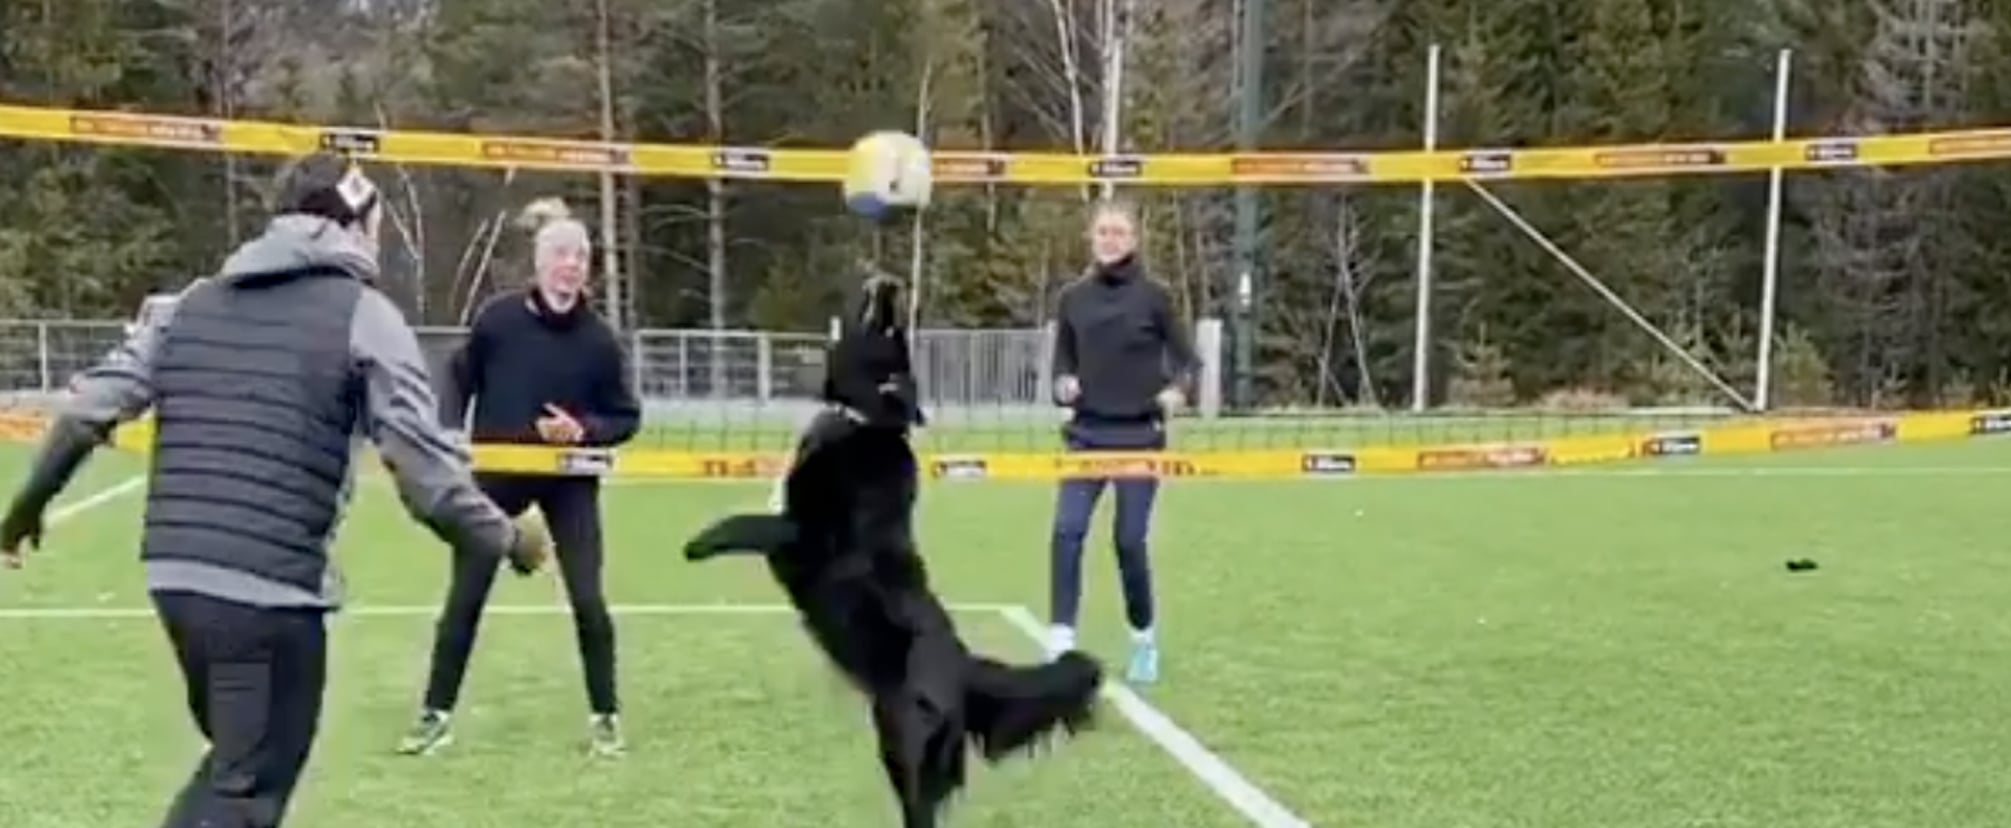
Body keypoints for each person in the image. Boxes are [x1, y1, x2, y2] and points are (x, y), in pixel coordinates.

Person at [0, 151, 551, 828]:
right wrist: (510, 538)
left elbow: (86, 413)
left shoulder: (188, 305)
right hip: (267, 596)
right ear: (357, 223)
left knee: (235, 767)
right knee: (247, 789)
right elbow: (425, 476)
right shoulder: (366, 315)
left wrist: (23, 512)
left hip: (176, 580)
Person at [398, 197, 643, 759]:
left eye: (580, 255)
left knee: (588, 599)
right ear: (539, 262)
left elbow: (626, 419)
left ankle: (606, 718)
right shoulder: (498, 321)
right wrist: (448, 434)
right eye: (560, 253)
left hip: (569, 482)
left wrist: (582, 429)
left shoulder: (600, 340)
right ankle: (435, 715)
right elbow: (459, 379)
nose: (571, 264)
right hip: (499, 475)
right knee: (465, 596)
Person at [1045, 199, 1198, 686]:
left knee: (1129, 541)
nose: (1109, 240)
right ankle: (1062, 640)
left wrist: (1177, 390)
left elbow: (1189, 361)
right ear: (1091, 239)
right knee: (1067, 533)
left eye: (1119, 233)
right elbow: (1061, 363)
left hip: (1139, 437)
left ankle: (1143, 639)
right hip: (1087, 436)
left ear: (1134, 240)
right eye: (1102, 232)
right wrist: (1063, 383)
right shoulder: (1073, 298)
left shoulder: (1155, 297)